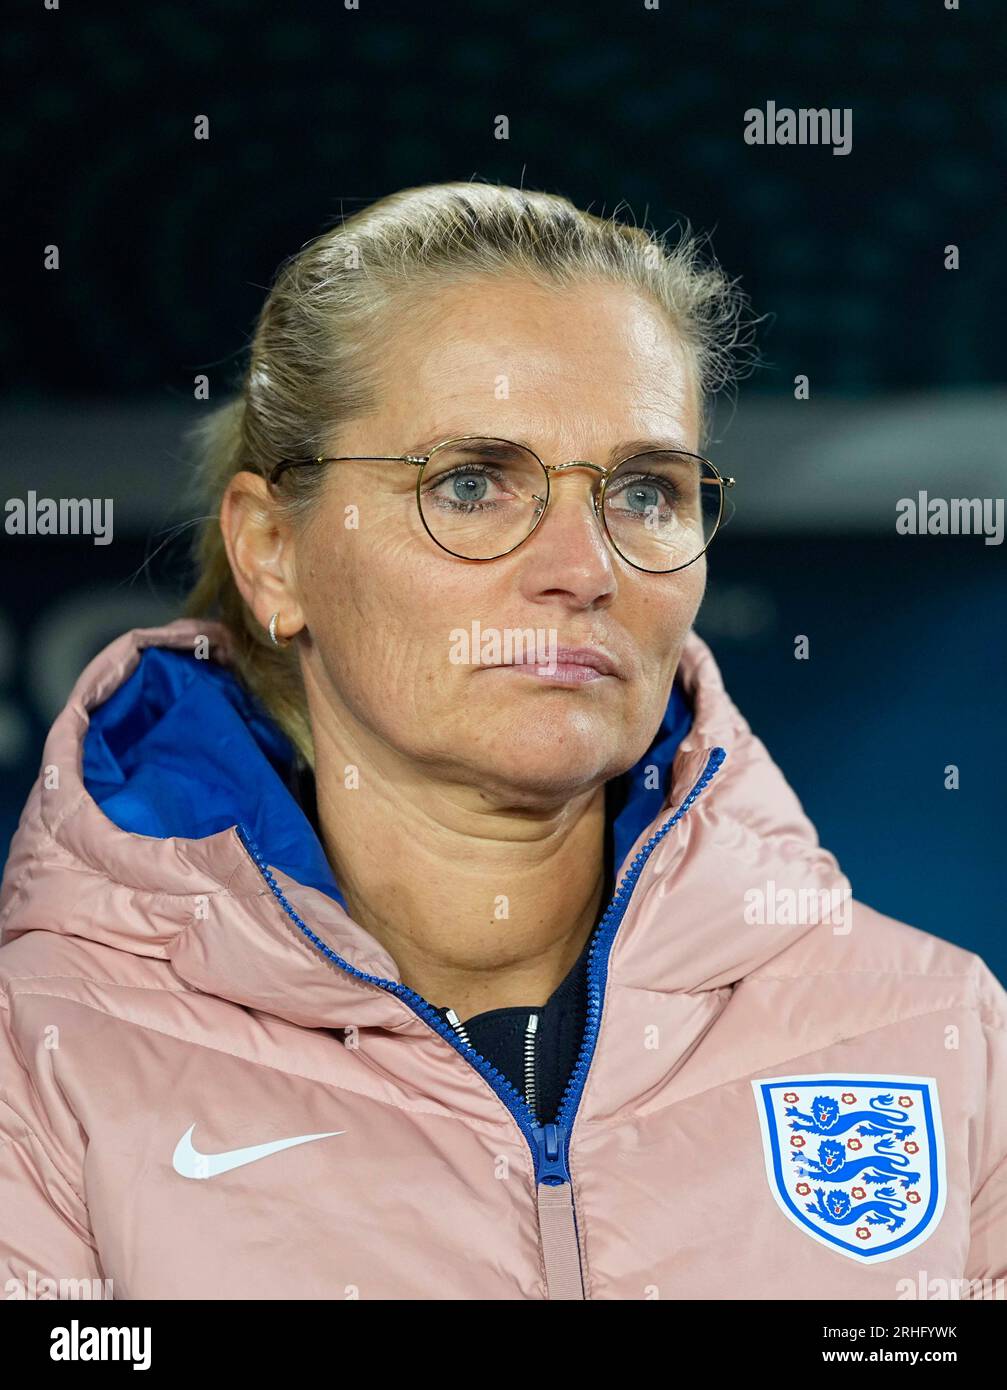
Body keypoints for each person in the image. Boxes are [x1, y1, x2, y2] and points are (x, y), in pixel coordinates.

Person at [1, 182, 1003, 1301]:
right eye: (471, 484)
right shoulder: (42, 1052)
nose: (584, 568)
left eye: (642, 491)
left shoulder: (934, 1024)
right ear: (273, 552)